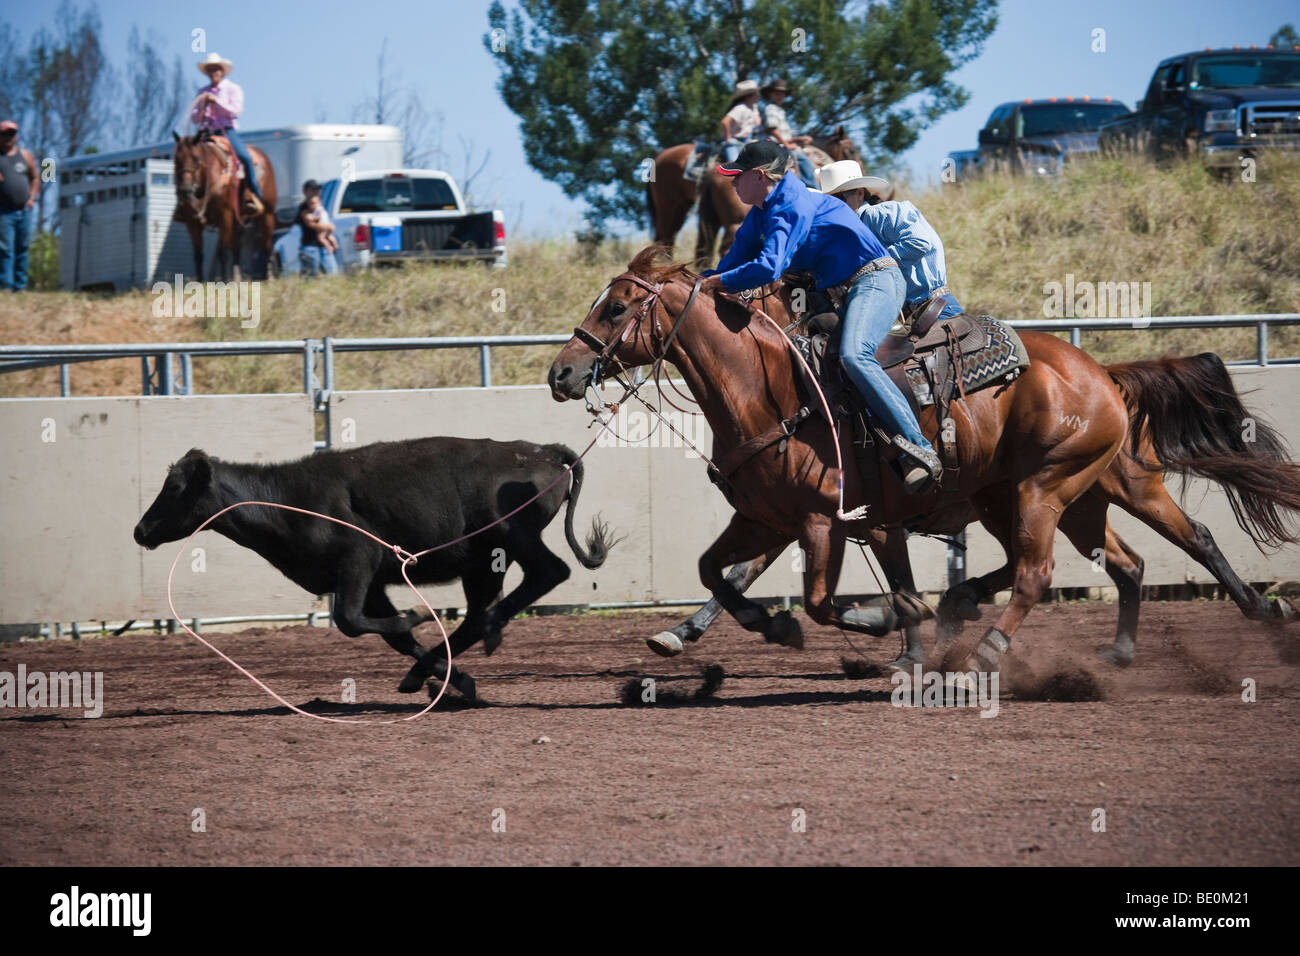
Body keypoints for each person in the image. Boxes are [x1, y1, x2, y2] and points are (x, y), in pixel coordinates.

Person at [699, 140, 942, 494]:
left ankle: (920, 448)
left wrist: (717, 282)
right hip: (843, 293)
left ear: (759, 175)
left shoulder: (790, 204)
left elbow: (770, 267)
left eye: (737, 175)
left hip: (875, 279)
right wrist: (694, 283)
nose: (732, 183)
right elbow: (728, 269)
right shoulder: (759, 216)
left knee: (854, 356)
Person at [816, 160, 964, 323]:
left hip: (932, 310)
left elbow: (918, 242)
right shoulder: (853, 231)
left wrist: (873, 266)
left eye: (839, 198)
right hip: (912, 315)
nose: (835, 206)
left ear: (859, 193)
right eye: (829, 202)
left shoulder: (879, 214)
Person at [190, 52, 264, 215]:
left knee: (244, 157)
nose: (214, 72)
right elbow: (194, 118)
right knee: (188, 157)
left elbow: (235, 112)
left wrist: (217, 102)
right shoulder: (202, 92)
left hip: (226, 131)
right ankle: (187, 199)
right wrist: (202, 106)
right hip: (205, 133)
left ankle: (253, 193)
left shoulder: (233, 89)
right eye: (211, 70)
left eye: (217, 69)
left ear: (222, 71)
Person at [0, 119, 37, 292]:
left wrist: (32, 197)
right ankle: (6, 286)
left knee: (22, 247)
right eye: (4, 134)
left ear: (16, 136)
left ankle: (20, 287)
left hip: (24, 210)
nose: (8, 137)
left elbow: (35, 177)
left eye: (11, 134)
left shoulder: (26, 155)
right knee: (5, 249)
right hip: (3, 211)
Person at [760, 78, 817, 189]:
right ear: (770, 94)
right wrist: (786, 145)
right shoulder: (771, 108)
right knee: (804, 160)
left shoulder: (779, 110)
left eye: (782, 94)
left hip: (779, 144)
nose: (780, 96)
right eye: (777, 94)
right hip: (773, 146)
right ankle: (813, 190)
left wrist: (799, 138)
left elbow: (783, 134)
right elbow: (772, 129)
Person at [297, 179, 338, 276]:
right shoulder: (303, 207)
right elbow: (311, 224)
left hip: (323, 247)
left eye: (317, 190)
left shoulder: (319, 206)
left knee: (333, 274)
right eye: (312, 190)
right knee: (310, 277)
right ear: (305, 191)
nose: (315, 192)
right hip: (310, 247)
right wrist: (328, 226)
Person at [719, 80, 762, 164]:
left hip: (746, 140)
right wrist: (728, 139)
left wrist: (757, 121)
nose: (758, 96)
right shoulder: (740, 108)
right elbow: (725, 122)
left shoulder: (753, 106)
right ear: (748, 96)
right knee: (735, 164)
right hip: (734, 141)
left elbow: (757, 119)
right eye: (755, 94)